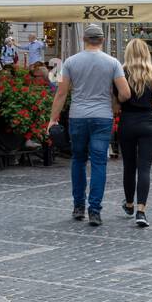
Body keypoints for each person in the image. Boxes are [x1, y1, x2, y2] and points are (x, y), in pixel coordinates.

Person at [47, 24, 130, 227]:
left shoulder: (71, 62)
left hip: (78, 116)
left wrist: (52, 119)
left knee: (78, 160)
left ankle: (78, 207)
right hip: (102, 116)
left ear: (84, 40)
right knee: (99, 162)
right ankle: (95, 211)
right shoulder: (113, 63)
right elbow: (126, 93)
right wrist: (114, 100)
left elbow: (61, 93)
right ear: (101, 40)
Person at [116, 39, 152, 228]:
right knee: (145, 168)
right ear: (147, 53)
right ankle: (141, 211)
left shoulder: (121, 71)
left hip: (127, 121)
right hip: (148, 122)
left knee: (129, 166)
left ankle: (128, 204)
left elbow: (116, 104)